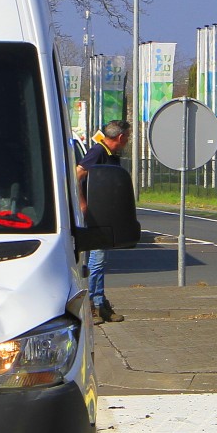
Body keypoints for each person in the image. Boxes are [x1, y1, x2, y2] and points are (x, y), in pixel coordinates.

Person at [77, 119, 131, 323]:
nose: (128, 141)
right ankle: (91, 305)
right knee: (97, 260)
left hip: (105, 214)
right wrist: (83, 204)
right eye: (128, 137)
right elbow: (77, 175)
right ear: (121, 137)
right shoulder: (98, 151)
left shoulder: (110, 154)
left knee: (100, 260)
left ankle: (100, 303)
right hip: (95, 215)